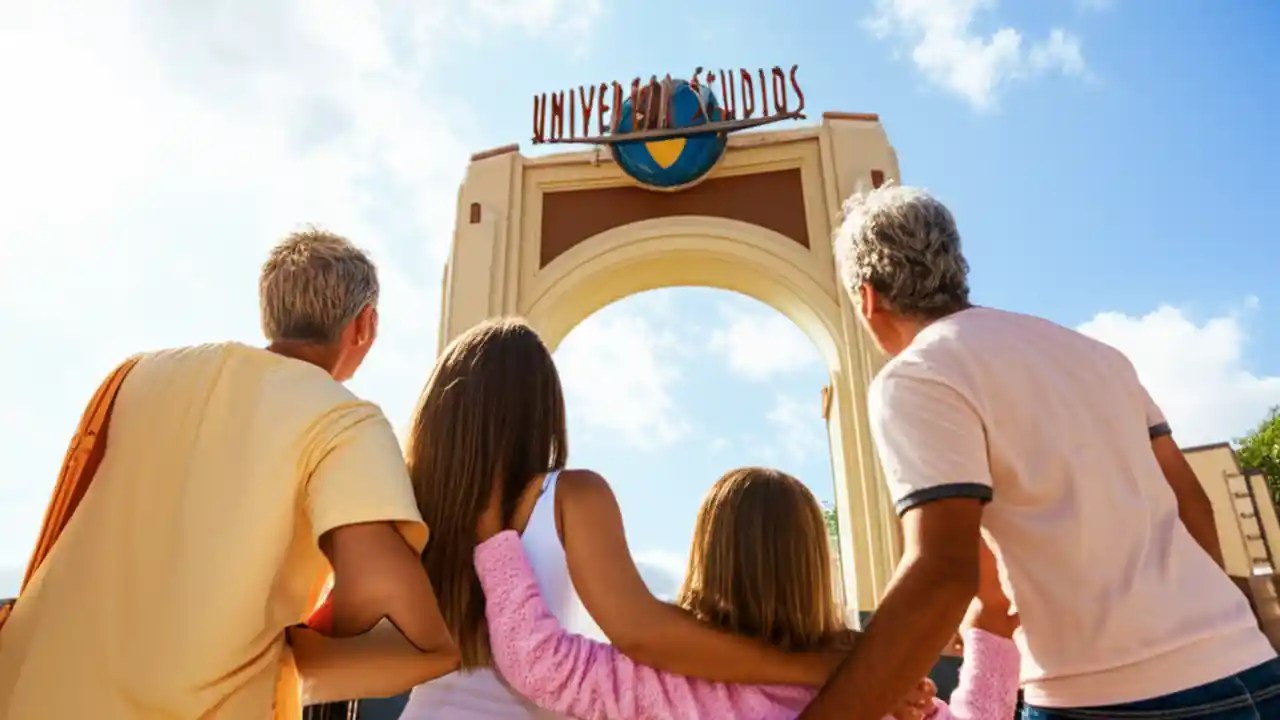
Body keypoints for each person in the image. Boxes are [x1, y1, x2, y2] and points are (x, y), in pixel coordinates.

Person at [800, 185, 1280, 719]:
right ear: (954, 266)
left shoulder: (919, 375)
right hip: (1250, 668)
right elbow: (1190, 500)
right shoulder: (1099, 355)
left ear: (867, 297)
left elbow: (941, 570)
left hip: (1107, 698)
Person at [361, 318, 931, 718]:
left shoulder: (405, 508)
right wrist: (829, 667)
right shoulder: (569, 496)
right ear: (542, 409)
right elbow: (644, 633)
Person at [0, 228, 459, 718]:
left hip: (33, 689)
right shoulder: (342, 421)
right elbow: (377, 596)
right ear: (365, 324)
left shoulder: (136, 376)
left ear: (271, 313)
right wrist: (292, 655)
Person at [473, 466, 1022, 719]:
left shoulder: (661, 684)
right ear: (814, 567)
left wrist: (493, 536)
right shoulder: (885, 694)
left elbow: (538, 663)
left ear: (706, 556)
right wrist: (990, 624)